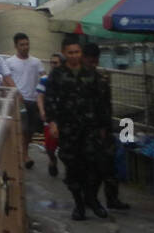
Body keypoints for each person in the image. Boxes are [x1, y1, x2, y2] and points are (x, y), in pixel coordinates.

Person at [43, 36, 113, 220]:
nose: (74, 56)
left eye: (77, 52)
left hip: (90, 129)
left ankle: (92, 199)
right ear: (65, 53)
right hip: (68, 129)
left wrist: (104, 126)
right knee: (73, 167)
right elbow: (50, 100)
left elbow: (103, 102)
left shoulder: (92, 75)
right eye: (71, 53)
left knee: (95, 166)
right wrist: (53, 122)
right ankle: (79, 204)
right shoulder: (57, 75)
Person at [82, 42, 129, 211]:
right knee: (93, 168)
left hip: (103, 128)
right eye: (90, 60)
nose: (92, 63)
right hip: (87, 130)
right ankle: (89, 199)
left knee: (109, 165)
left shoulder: (101, 80)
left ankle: (111, 198)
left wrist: (105, 127)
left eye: (95, 60)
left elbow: (106, 106)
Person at [6, 32, 44, 169]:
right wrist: (14, 93)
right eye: (22, 45)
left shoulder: (36, 62)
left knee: (29, 132)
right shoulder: (10, 62)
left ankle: (24, 153)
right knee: (20, 130)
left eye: (27, 44)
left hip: (33, 100)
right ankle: (22, 156)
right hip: (18, 100)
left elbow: (43, 77)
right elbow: (5, 78)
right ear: (16, 46)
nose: (25, 47)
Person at [35, 53, 63, 176]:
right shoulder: (45, 80)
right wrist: (42, 111)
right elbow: (40, 96)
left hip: (65, 118)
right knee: (50, 147)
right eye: (51, 63)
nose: (53, 65)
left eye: (56, 63)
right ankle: (52, 160)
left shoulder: (68, 78)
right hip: (50, 117)